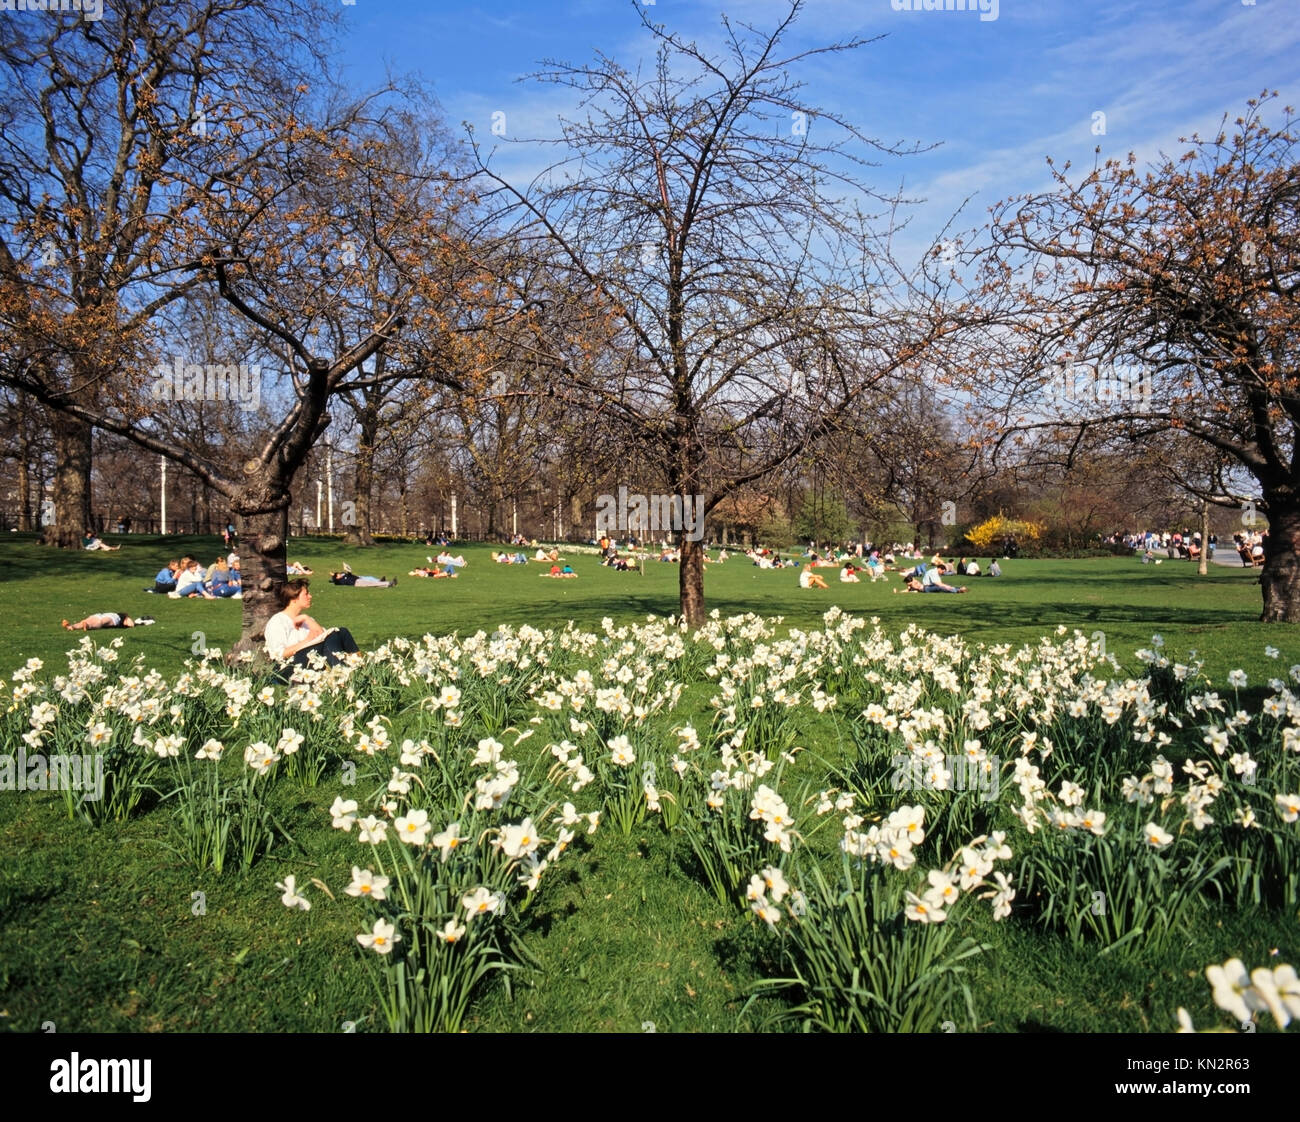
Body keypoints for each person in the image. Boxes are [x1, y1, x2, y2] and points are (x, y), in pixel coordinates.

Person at [264, 579, 359, 668]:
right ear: (294, 599)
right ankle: (342, 671)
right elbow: (279, 654)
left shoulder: (306, 620)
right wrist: (307, 641)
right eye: (306, 594)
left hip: (312, 657)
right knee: (335, 635)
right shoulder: (278, 621)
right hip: (291, 665)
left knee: (342, 632)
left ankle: (357, 666)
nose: (310, 596)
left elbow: (325, 637)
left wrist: (307, 618)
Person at [63, 611, 152, 630]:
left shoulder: (115, 614)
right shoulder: (121, 617)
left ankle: (71, 626)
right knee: (99, 623)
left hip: (98, 615)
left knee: (89, 620)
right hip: (111, 619)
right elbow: (131, 624)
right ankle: (88, 626)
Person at [329, 570, 396, 587]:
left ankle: (387, 584)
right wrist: (333, 576)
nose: (339, 574)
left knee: (372, 582)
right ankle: (388, 583)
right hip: (357, 583)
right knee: (372, 583)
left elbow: (346, 573)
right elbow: (335, 582)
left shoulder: (344, 575)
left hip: (358, 579)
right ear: (337, 578)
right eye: (338, 575)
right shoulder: (340, 581)